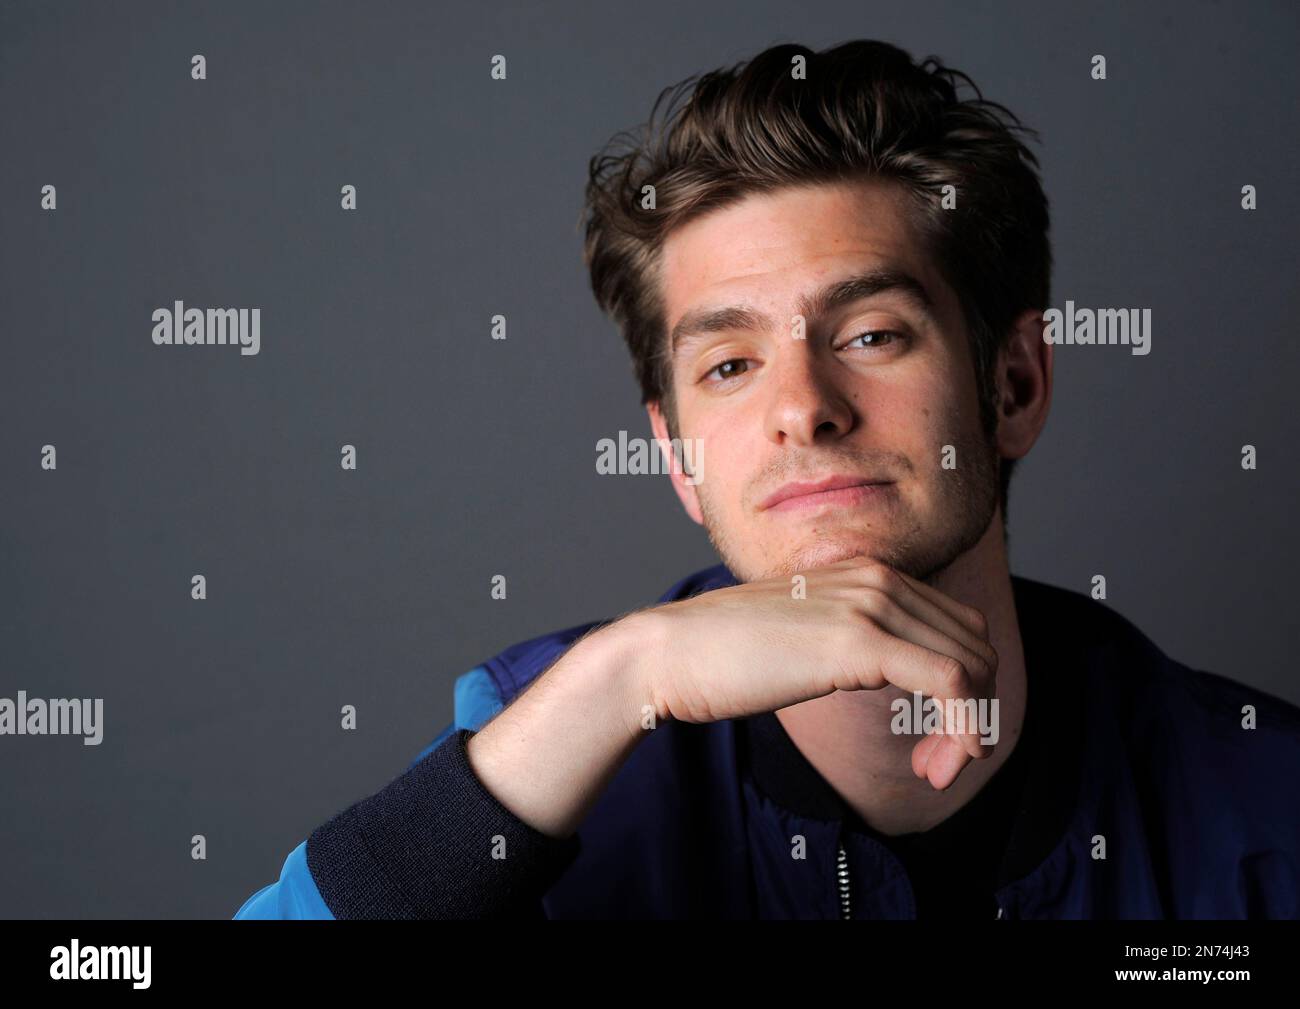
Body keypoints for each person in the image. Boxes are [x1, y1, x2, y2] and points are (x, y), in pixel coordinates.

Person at [234, 39, 1300, 920]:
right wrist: (627, 676)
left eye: (873, 332)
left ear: (1013, 383)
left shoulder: (1263, 803)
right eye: (731, 365)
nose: (802, 405)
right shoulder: (547, 744)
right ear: (679, 460)